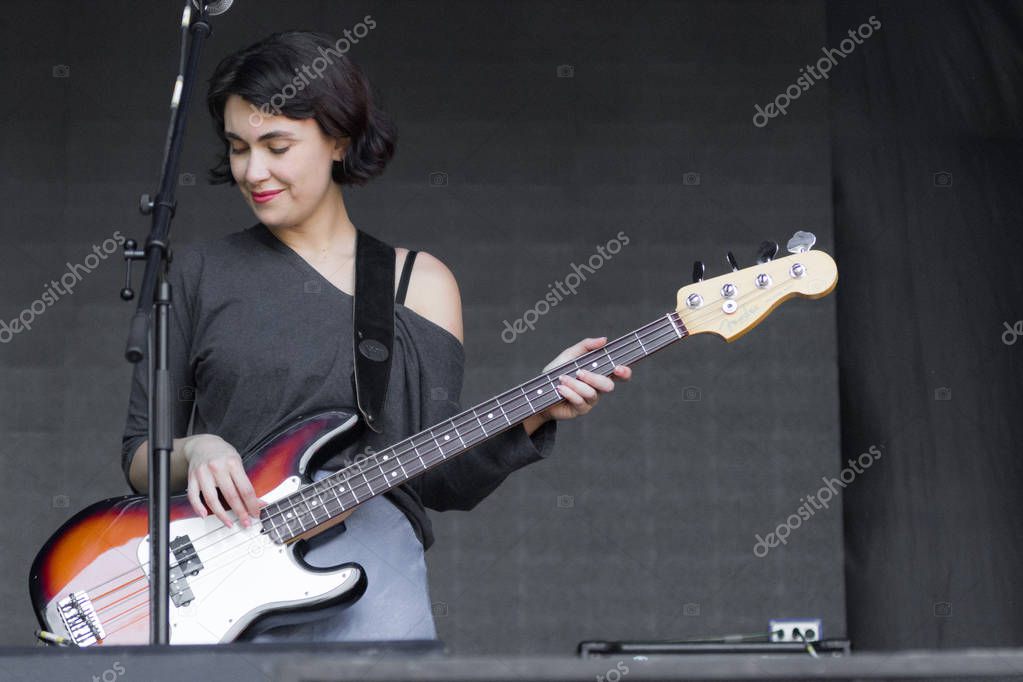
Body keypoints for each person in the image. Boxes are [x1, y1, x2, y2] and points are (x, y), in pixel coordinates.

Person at [121, 30, 632, 642]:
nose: (253, 171)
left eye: (277, 145)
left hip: (371, 570)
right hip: (216, 584)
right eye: (238, 148)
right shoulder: (200, 274)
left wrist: (536, 409)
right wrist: (196, 448)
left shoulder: (417, 284)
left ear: (338, 139)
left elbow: (440, 478)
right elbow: (137, 456)